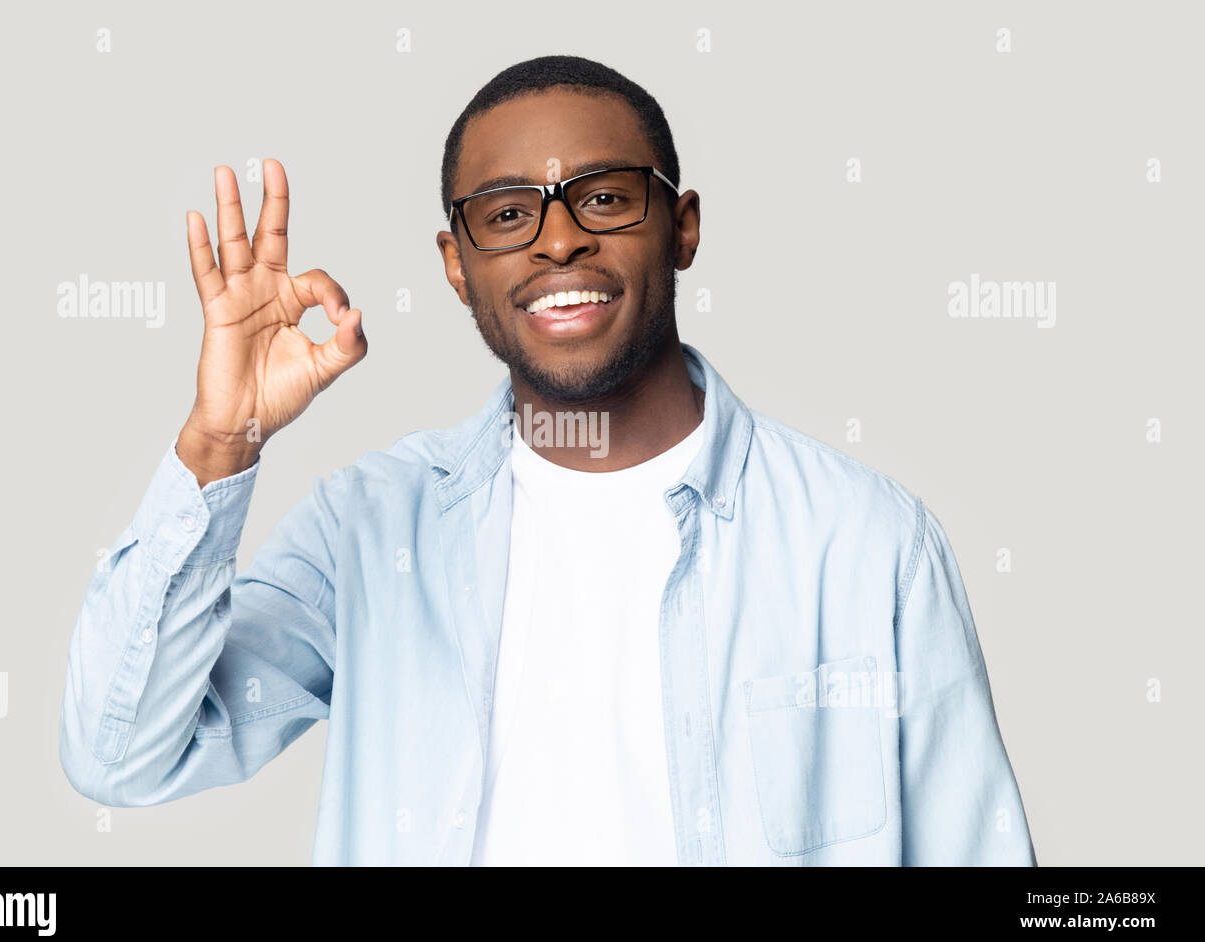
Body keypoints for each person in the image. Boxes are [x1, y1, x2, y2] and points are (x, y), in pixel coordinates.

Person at [59, 54, 1037, 866]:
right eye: (507, 212)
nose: (560, 237)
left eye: (604, 197)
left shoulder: (865, 539)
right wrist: (220, 438)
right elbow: (122, 755)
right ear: (456, 264)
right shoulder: (369, 529)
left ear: (682, 226)